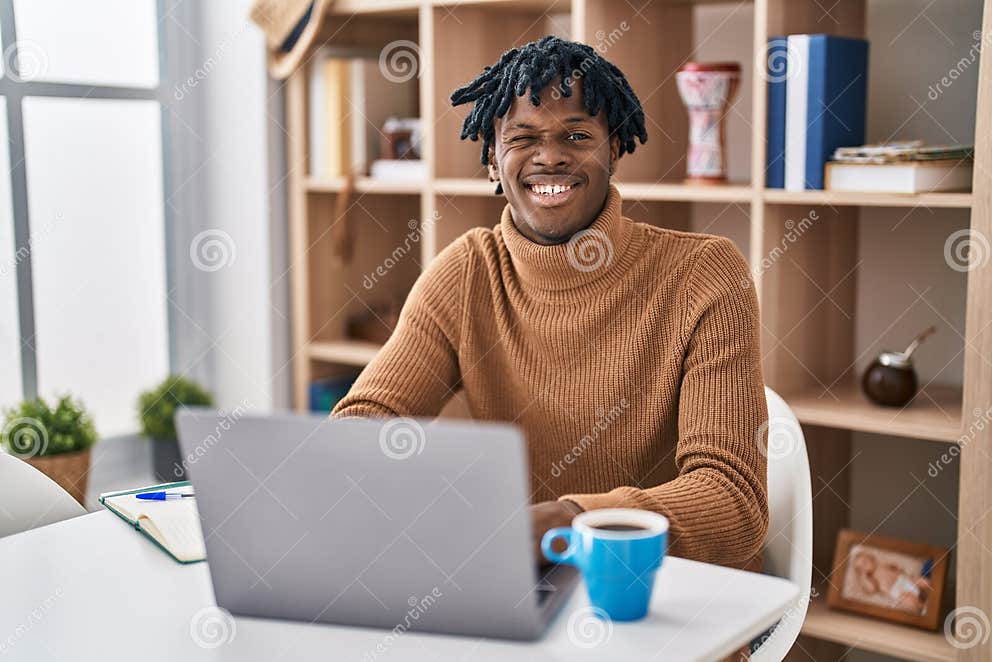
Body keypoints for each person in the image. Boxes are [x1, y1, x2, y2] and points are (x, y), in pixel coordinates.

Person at [332, 35, 768, 574]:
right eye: (523, 137)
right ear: (493, 159)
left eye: (577, 135)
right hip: (518, 581)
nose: (551, 155)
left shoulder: (704, 276)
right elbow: (369, 420)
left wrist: (574, 521)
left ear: (614, 149)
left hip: (660, 591)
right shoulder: (467, 272)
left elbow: (734, 502)